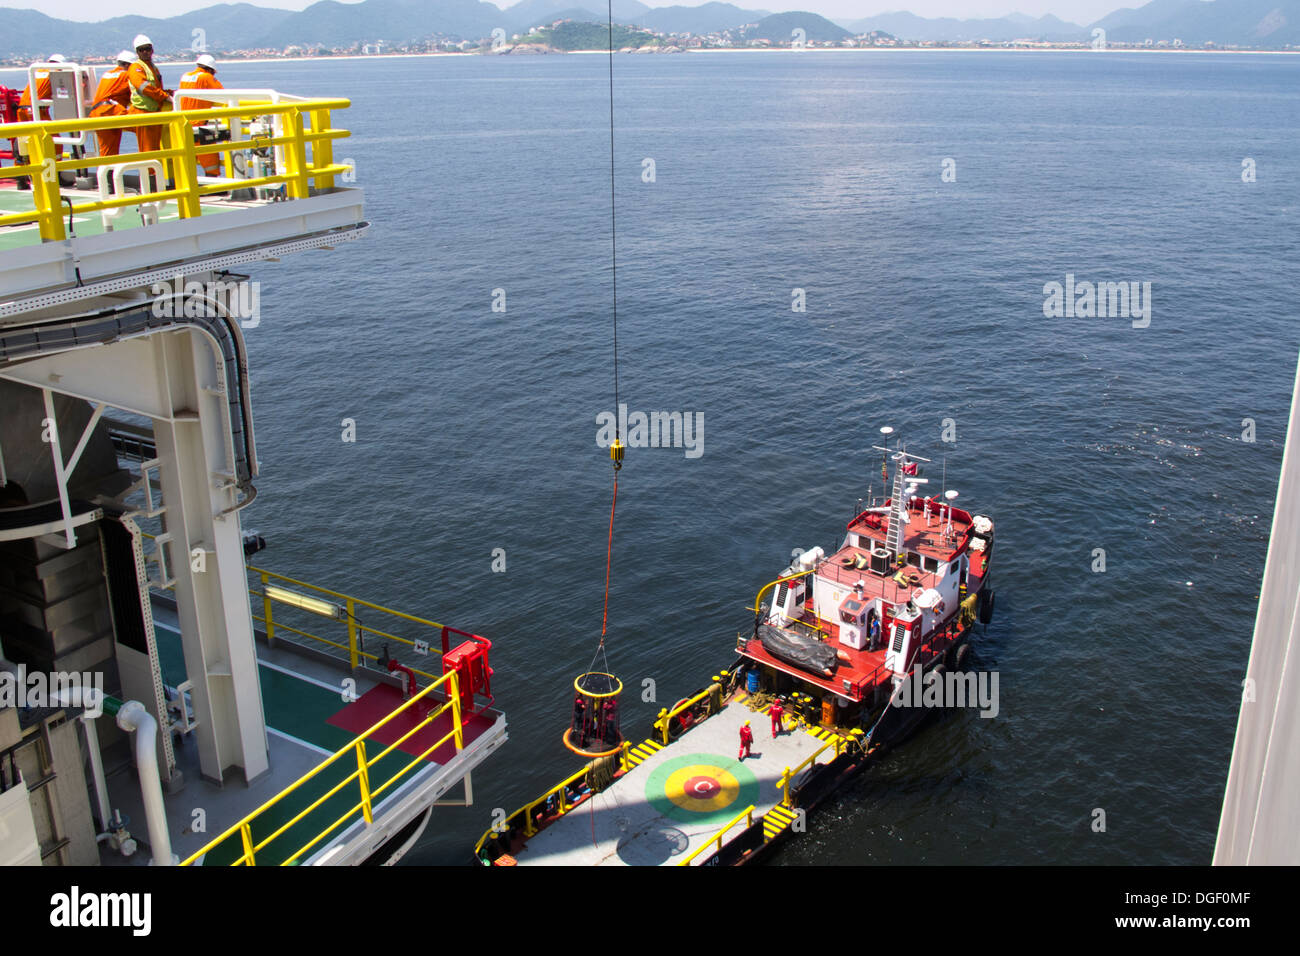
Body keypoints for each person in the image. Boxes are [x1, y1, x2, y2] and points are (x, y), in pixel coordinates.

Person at [14, 54, 65, 189]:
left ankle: (20, 179)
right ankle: (57, 175)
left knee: (23, 143)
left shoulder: (38, 71)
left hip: (22, 109)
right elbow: (65, 92)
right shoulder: (56, 73)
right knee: (55, 142)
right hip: (36, 111)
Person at [176, 54, 224, 176]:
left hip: (183, 124)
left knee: (188, 161)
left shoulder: (185, 76)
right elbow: (223, 95)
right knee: (210, 160)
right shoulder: (206, 77)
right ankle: (214, 185)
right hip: (199, 126)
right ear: (210, 70)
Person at [126, 35, 172, 158]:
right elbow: (144, 87)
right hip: (143, 114)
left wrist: (170, 93)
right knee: (148, 151)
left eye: (147, 48)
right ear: (137, 52)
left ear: (152, 50)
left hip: (154, 113)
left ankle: (155, 174)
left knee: (155, 149)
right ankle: (150, 176)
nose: (145, 52)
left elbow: (155, 87)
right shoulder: (136, 67)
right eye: (141, 49)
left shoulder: (152, 67)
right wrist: (164, 96)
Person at [90, 51, 135, 159]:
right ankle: (151, 168)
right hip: (111, 110)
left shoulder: (107, 74)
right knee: (145, 127)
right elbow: (137, 94)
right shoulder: (126, 75)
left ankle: (107, 174)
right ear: (128, 65)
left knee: (107, 151)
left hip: (97, 112)